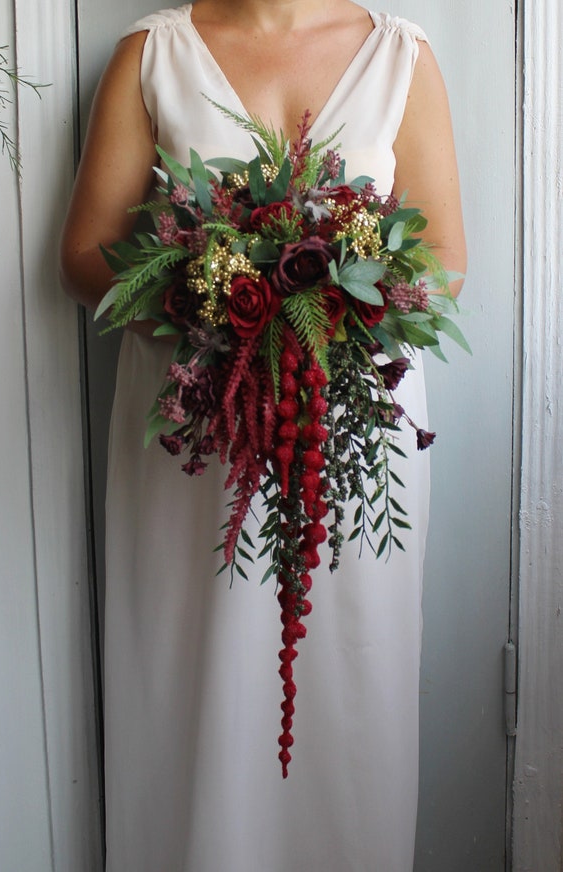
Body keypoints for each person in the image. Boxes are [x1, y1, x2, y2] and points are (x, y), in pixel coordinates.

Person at [60, 2, 466, 870]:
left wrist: (340, 315)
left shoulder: (401, 55)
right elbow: (84, 251)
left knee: (351, 677)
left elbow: (446, 262)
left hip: (348, 439)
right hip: (197, 437)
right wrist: (218, 321)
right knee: (196, 683)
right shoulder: (151, 54)